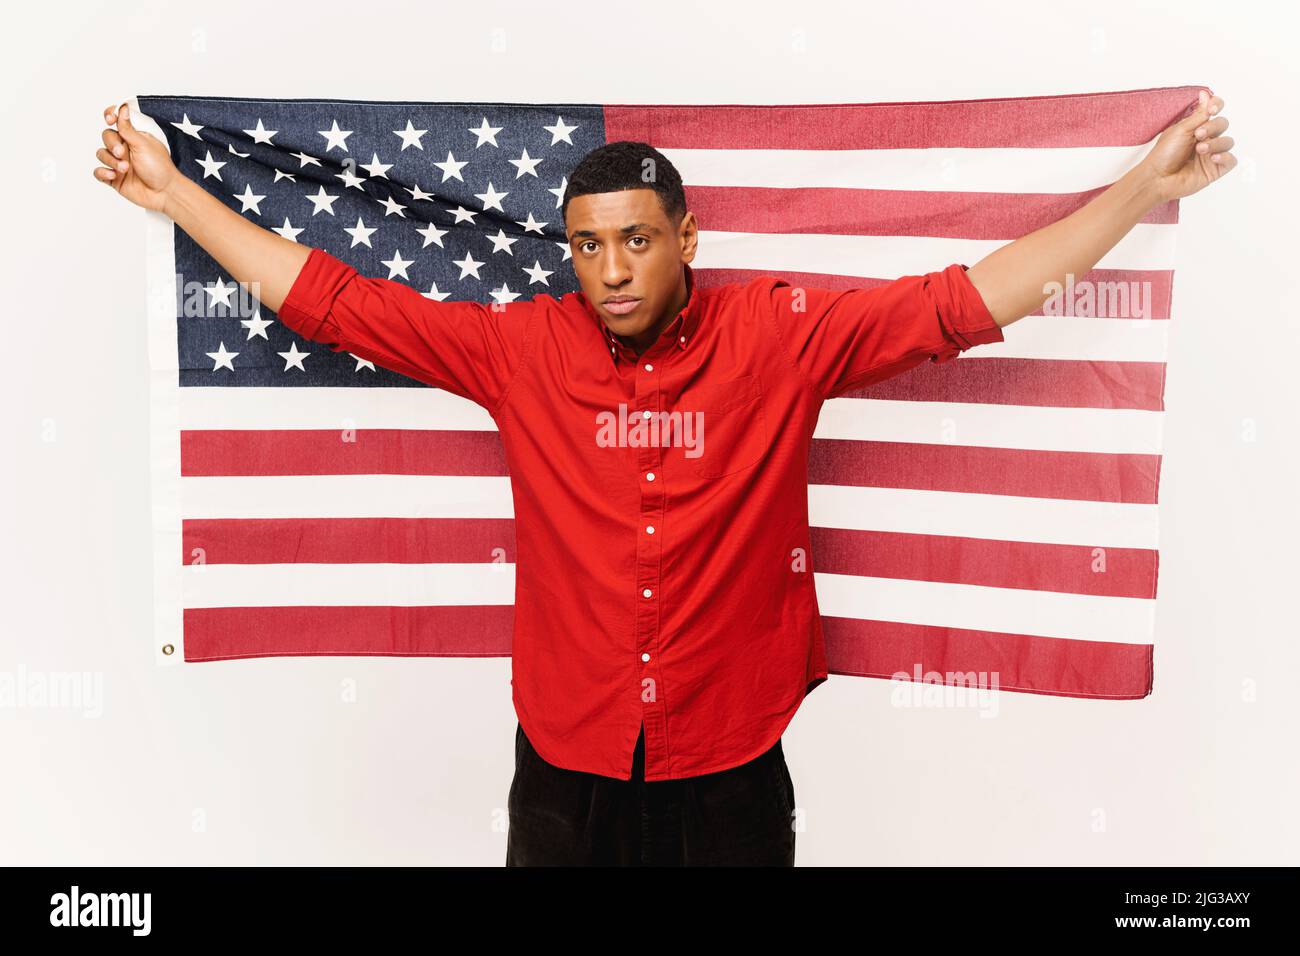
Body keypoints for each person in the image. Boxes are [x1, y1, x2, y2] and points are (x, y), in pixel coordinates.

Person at [94, 92, 1234, 866]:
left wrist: (1140, 188)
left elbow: (964, 301)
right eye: (587, 245)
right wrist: (175, 196)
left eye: (636, 239)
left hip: (728, 766)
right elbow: (340, 306)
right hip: (563, 765)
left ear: (687, 236)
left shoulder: (781, 334)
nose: (610, 269)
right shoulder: (520, 349)